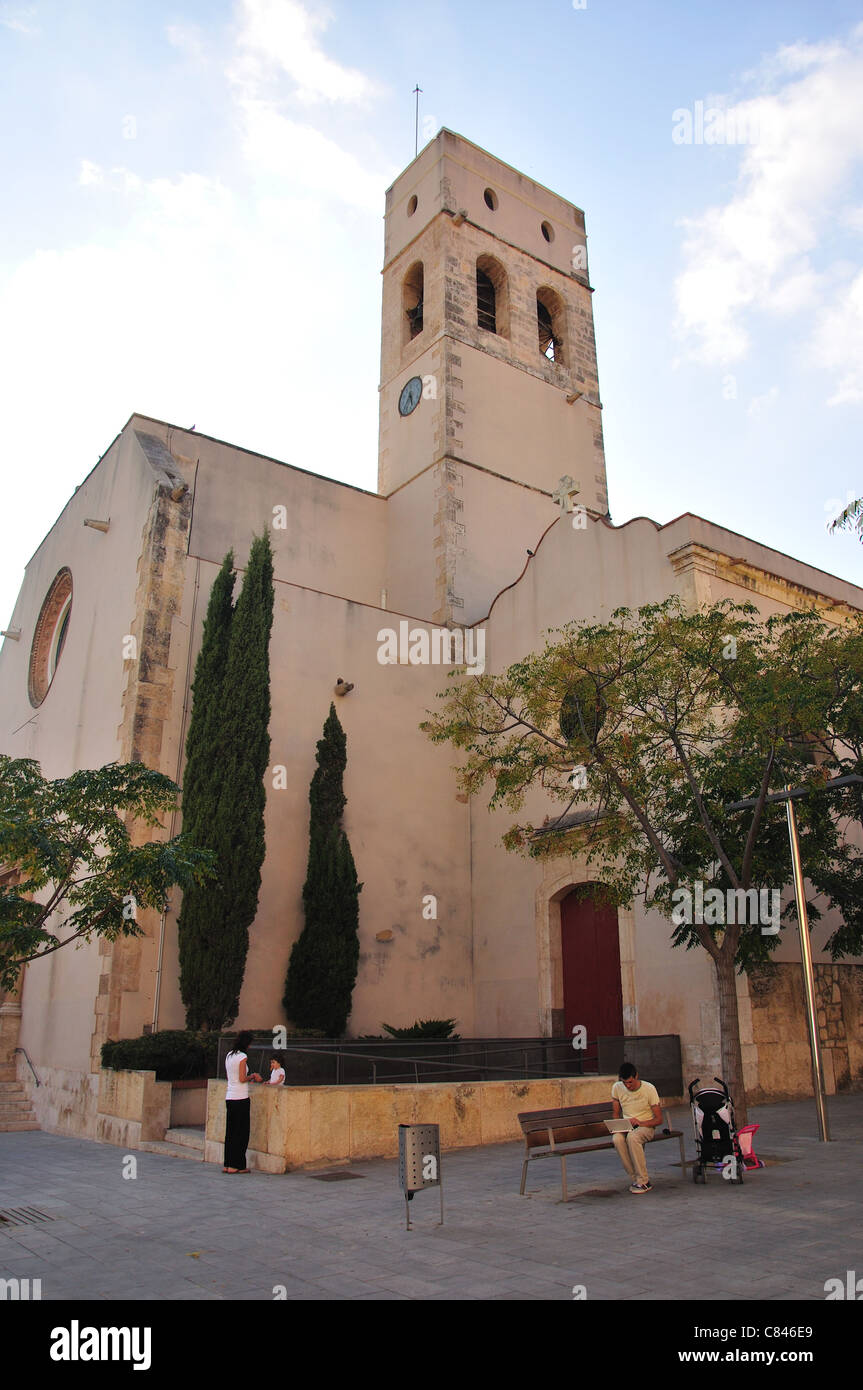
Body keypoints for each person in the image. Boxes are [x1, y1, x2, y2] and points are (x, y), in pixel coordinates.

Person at [611, 1061, 663, 1194]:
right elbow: (616, 1113)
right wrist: (618, 1125)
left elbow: (658, 1119)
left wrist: (640, 1123)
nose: (628, 1086)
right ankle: (636, 1178)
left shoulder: (649, 1088)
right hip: (627, 1125)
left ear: (636, 1076)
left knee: (633, 1137)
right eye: (625, 1083)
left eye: (630, 1082)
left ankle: (644, 1181)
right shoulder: (617, 1087)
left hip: (646, 1126)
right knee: (617, 1139)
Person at [224, 1030, 262, 1173]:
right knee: (241, 1132)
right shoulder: (242, 1057)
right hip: (240, 1097)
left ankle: (227, 1163)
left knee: (231, 1131)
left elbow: (231, 1078)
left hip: (230, 1096)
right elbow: (241, 1078)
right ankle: (237, 1165)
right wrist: (252, 1076)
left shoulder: (229, 1055)